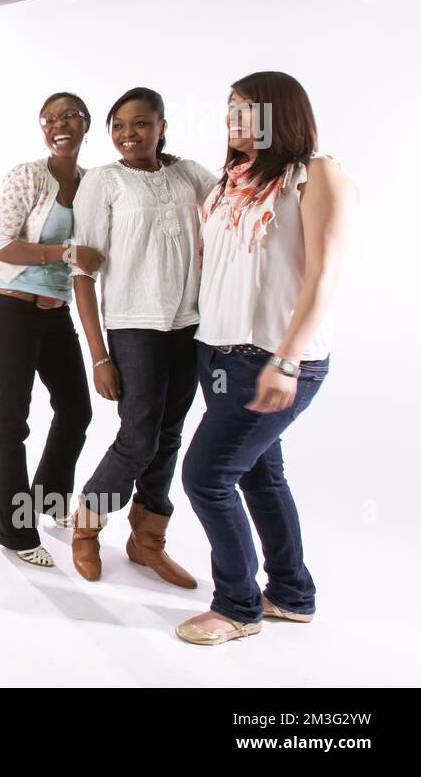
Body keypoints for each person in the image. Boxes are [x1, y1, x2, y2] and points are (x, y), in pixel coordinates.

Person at [176, 72, 352, 646]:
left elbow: (324, 275)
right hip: (219, 353)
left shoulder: (315, 173)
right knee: (260, 475)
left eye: (248, 109)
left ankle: (238, 606)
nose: (234, 119)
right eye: (230, 108)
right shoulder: (231, 181)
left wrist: (288, 360)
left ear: (282, 114)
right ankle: (292, 595)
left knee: (206, 477)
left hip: (276, 358)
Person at [67, 87, 218, 587]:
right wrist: (99, 356)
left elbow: (230, 202)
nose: (128, 135)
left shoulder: (188, 173)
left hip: (188, 325)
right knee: (138, 436)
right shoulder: (104, 182)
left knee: (170, 435)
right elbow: (83, 275)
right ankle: (87, 524)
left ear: (162, 127)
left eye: (140, 124)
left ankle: (147, 540)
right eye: (118, 126)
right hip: (134, 326)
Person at [0, 92, 100, 568]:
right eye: (48, 119)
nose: (58, 124)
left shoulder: (93, 184)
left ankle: (50, 500)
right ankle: (15, 530)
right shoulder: (26, 175)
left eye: (68, 115)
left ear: (86, 123)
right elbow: (2, 247)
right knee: (12, 418)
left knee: (76, 409)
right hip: (8, 309)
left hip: (54, 312)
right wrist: (64, 253)